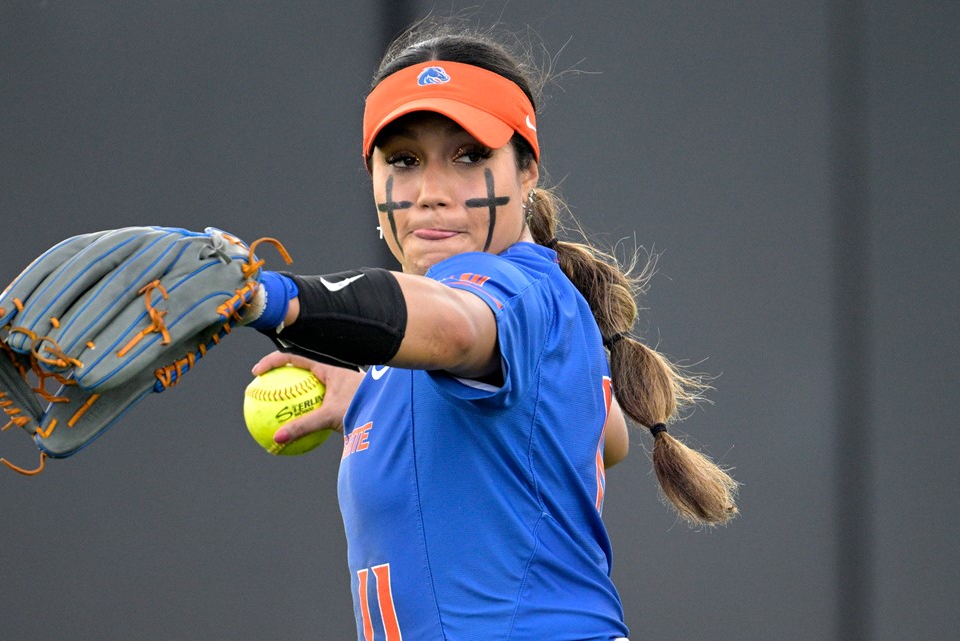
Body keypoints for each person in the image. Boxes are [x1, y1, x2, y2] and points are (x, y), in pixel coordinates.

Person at [239, 20, 738, 641]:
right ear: (371, 177)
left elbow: (455, 328)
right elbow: (606, 437)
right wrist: (383, 396)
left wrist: (267, 296)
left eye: (469, 156)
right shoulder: (517, 319)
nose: (431, 193)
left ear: (527, 171)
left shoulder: (510, 287)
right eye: (403, 160)